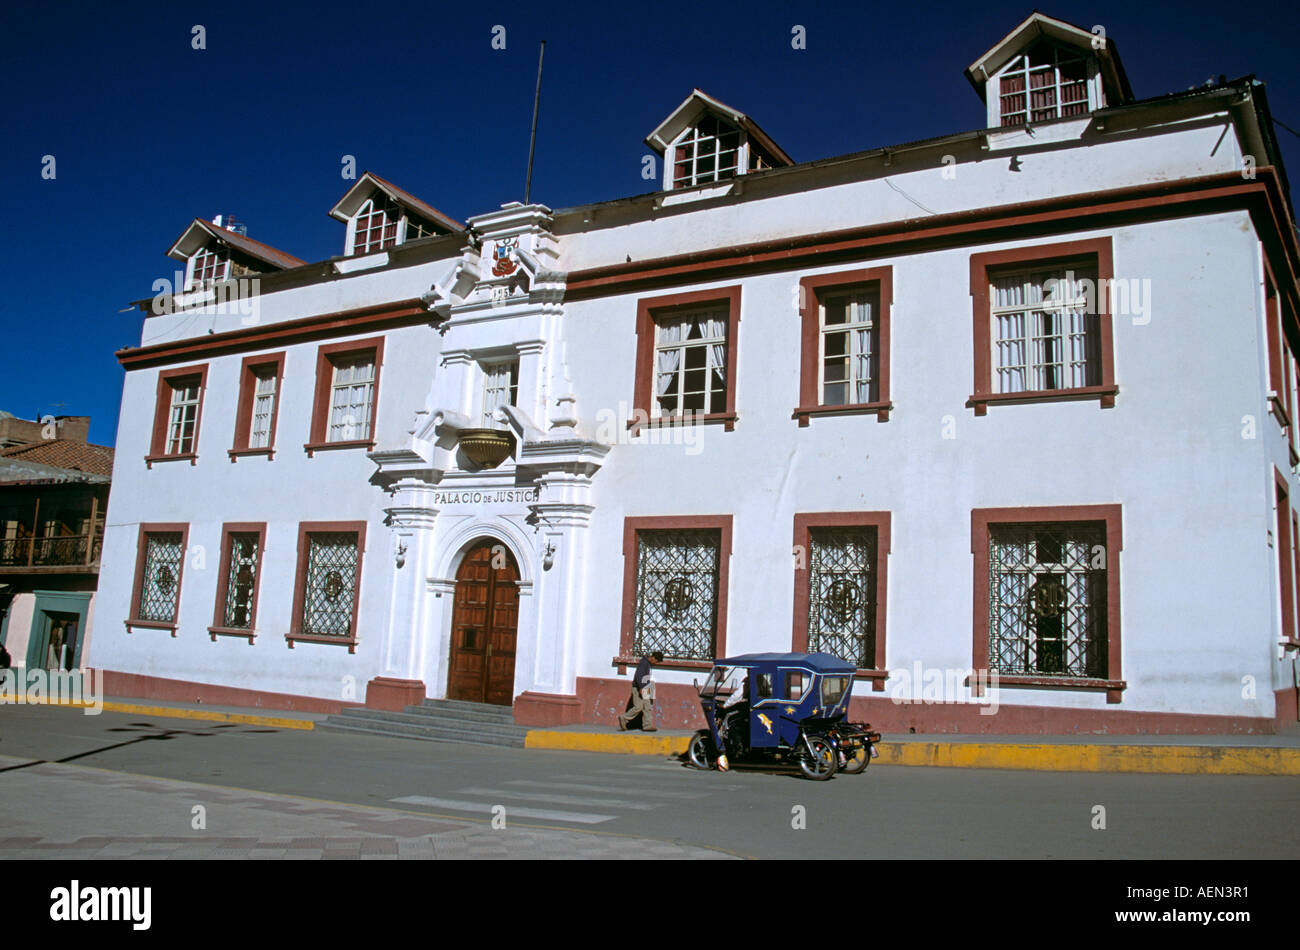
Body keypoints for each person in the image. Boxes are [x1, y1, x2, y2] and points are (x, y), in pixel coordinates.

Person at [617, 651, 662, 731]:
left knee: (647, 707)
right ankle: (624, 718)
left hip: (646, 686)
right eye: (656, 661)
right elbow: (639, 675)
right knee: (638, 707)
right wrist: (641, 687)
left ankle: (647, 726)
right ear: (653, 658)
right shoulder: (644, 663)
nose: (656, 663)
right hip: (639, 687)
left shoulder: (647, 664)